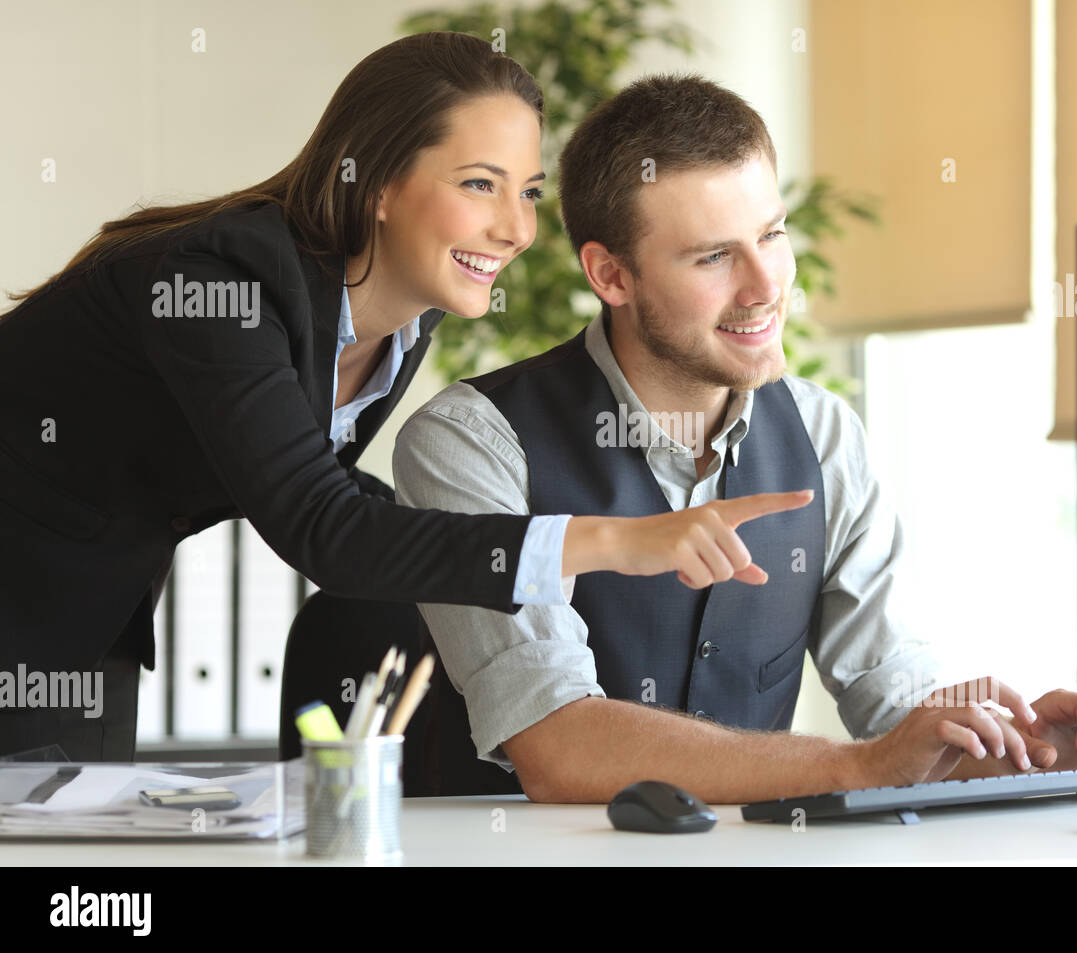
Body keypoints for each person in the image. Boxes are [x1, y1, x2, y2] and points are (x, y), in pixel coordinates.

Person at [0, 36, 808, 763]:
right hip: (35, 598)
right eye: (479, 184)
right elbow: (323, 526)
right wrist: (612, 541)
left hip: (78, 615)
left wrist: (476, 527)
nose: (514, 228)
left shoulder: (400, 327)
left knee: (71, 849)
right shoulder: (223, 285)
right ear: (378, 185)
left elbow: (324, 491)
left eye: (526, 191)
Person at [393, 74, 1077, 803]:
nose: (766, 287)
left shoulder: (821, 433)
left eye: (771, 235)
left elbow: (897, 703)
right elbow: (556, 746)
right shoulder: (473, 443)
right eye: (715, 256)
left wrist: (1035, 752)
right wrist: (856, 767)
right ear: (611, 275)